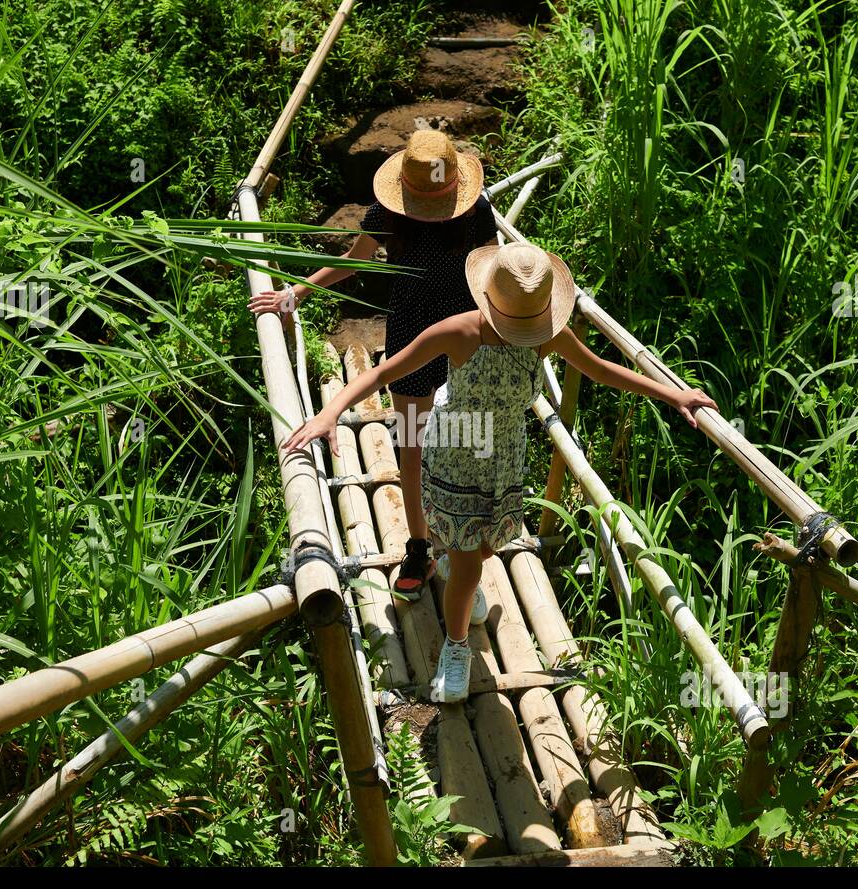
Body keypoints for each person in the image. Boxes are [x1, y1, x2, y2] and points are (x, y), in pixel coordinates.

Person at [282, 242, 719, 703]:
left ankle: (455, 561)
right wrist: (331, 412)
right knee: (470, 567)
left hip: (505, 453)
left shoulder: (547, 335)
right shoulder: (460, 332)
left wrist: (675, 395)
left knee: (488, 545)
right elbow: (385, 371)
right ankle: (455, 648)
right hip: (457, 449)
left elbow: (600, 369)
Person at [249, 128, 498, 612]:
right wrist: (297, 291)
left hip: (467, 333)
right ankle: (420, 549)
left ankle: (458, 552)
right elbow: (356, 259)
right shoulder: (386, 213)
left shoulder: (477, 210)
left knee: (465, 442)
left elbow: (492, 270)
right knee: (411, 442)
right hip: (408, 330)